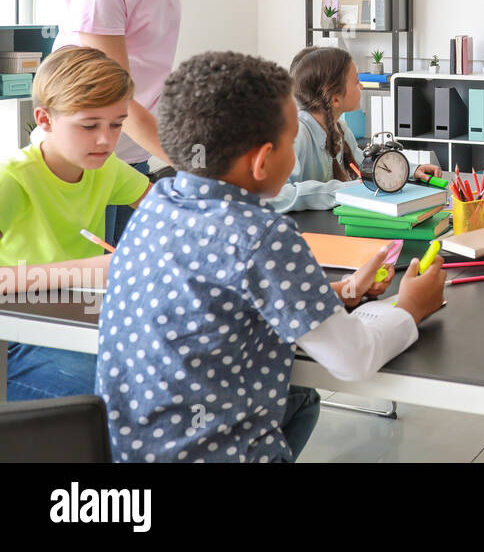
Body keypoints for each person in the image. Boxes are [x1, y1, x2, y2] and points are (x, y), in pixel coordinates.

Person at [96, 51, 447, 462]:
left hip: (131, 458)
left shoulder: (155, 207)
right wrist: (411, 307)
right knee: (300, 398)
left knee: (299, 398)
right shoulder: (263, 235)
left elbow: (219, 301)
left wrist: (335, 292)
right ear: (264, 159)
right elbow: (354, 359)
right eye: (291, 138)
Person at [52, 0, 204, 243]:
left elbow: (151, 76)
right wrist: (189, 163)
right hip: (83, 163)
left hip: (129, 158)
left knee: (125, 284)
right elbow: (115, 97)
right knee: (81, 296)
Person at [0, 47, 150, 400]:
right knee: (120, 396)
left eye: (117, 124)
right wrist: (93, 270)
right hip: (16, 340)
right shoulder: (12, 180)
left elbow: (167, 210)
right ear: (45, 119)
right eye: (89, 125)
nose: (106, 140)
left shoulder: (105, 167)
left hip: (77, 323)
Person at [264, 46, 441, 213]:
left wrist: (409, 170)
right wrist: (341, 191)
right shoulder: (297, 134)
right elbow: (274, 195)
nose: (362, 86)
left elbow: (366, 165)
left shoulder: (340, 127)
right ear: (334, 99)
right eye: (356, 81)